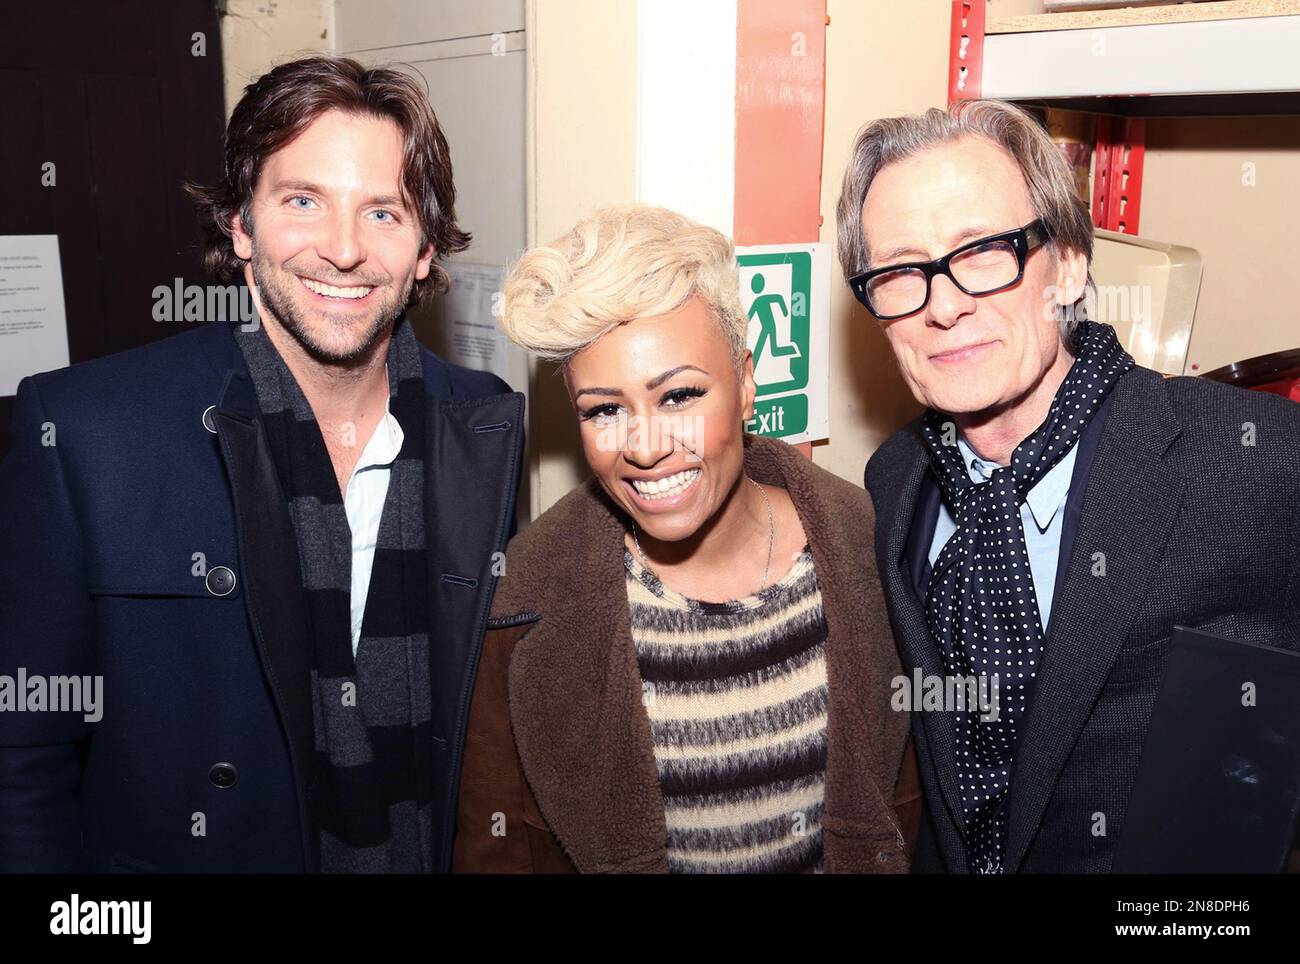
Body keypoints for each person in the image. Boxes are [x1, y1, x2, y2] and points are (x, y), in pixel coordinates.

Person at [0, 56, 523, 873]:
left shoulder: (487, 429)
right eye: (303, 201)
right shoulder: (85, 433)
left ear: (425, 249)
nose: (343, 250)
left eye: (384, 212)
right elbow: (21, 762)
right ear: (242, 226)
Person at [836, 97, 1300, 873]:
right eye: (900, 271)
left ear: (1072, 263)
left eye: (984, 249)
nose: (943, 305)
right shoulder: (893, 485)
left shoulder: (1251, 460)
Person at [452, 204, 919, 873]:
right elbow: (492, 853)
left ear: (747, 381)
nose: (645, 447)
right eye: (605, 410)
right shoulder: (524, 599)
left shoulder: (869, 548)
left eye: (678, 397)